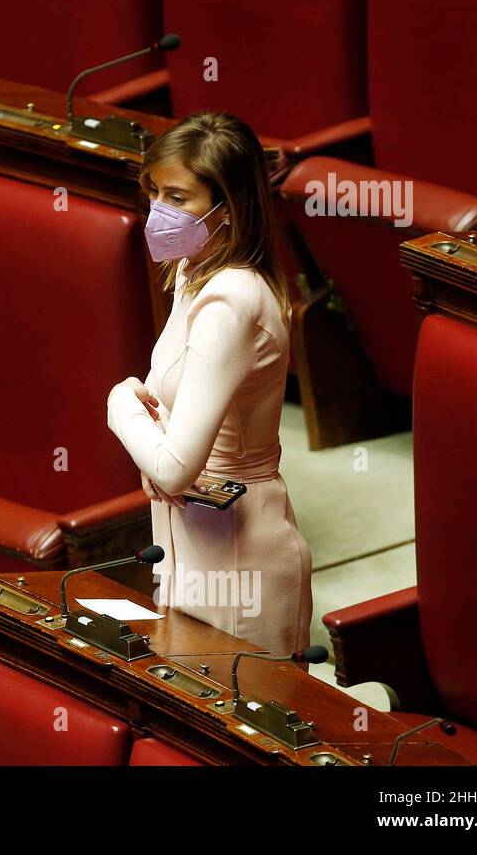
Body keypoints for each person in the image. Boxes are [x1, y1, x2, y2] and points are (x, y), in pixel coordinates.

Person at [106, 110, 311, 654]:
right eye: (154, 192)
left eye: (178, 198)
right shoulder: (193, 275)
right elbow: (164, 408)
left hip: (240, 563)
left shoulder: (231, 302)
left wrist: (117, 403)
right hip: (190, 546)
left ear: (231, 207)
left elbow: (174, 467)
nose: (158, 212)